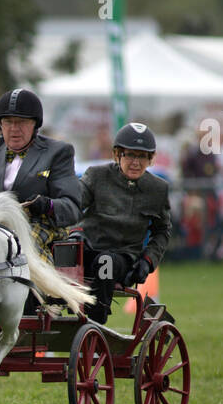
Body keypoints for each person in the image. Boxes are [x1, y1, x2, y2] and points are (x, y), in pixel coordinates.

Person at [70, 122, 171, 324]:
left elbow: (162, 231)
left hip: (122, 259)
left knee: (105, 261)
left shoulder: (158, 189)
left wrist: (148, 261)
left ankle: (96, 319)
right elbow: (73, 204)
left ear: (150, 159)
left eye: (142, 156)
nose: (136, 162)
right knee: (63, 249)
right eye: (130, 155)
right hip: (87, 249)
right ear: (118, 155)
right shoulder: (96, 176)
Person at [0, 89, 81, 252]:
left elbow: (71, 207)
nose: (14, 129)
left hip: (35, 229)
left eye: (21, 122)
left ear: (35, 124)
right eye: (8, 122)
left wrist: (47, 205)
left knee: (17, 248)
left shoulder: (58, 152)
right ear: (0, 124)